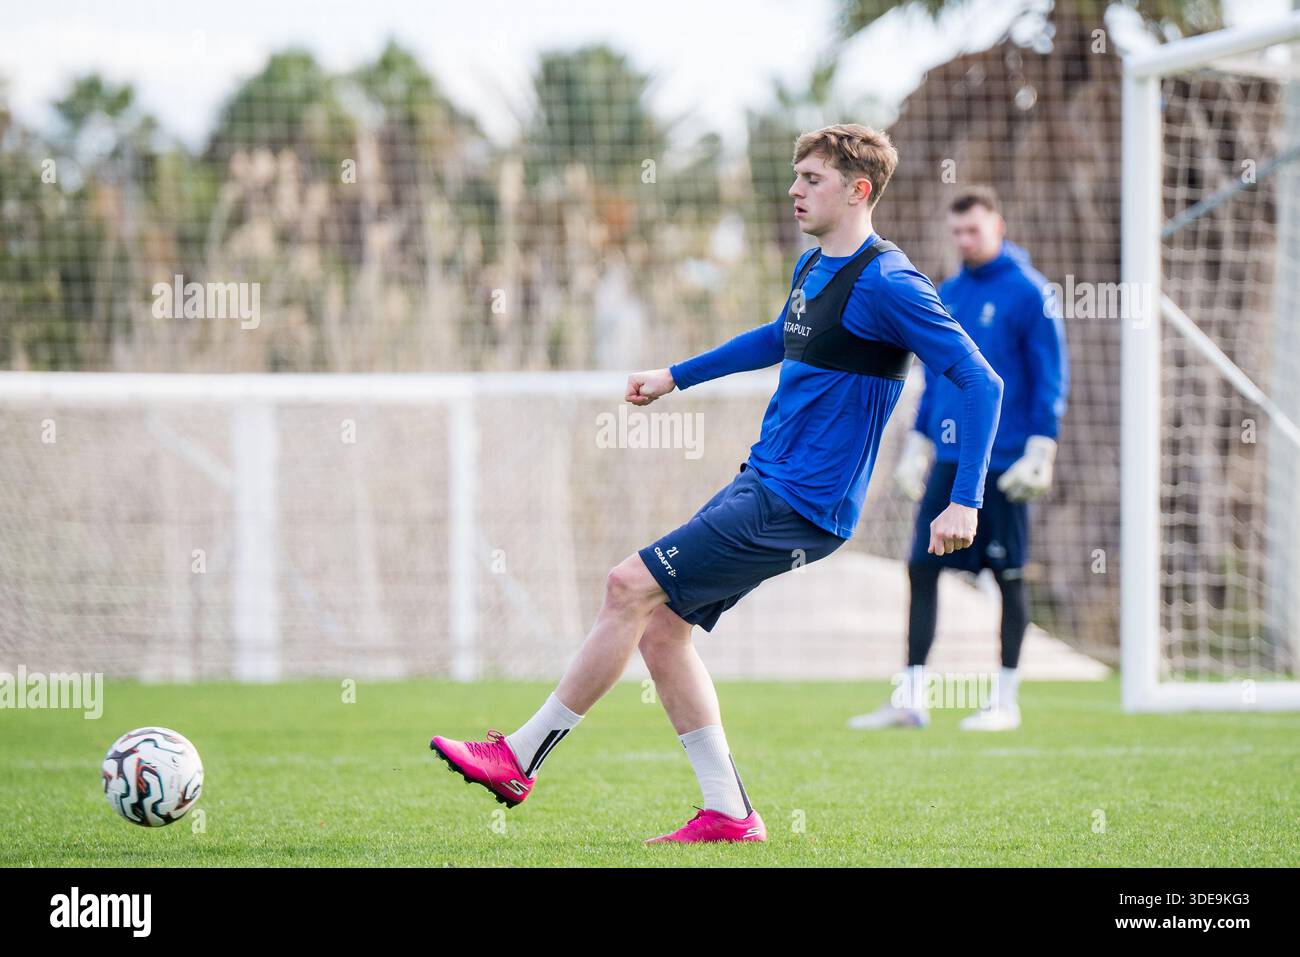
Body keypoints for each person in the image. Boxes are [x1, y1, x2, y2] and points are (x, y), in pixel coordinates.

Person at [429, 124, 1004, 843]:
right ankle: (730, 811)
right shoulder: (812, 268)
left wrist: (966, 496)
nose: (794, 189)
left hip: (801, 501)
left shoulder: (888, 280)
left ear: (859, 191)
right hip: (766, 483)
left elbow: (980, 379)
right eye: (795, 175)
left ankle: (519, 757)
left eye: (813, 179)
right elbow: (775, 337)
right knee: (663, 630)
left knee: (626, 585)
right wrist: (676, 375)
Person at [848, 186, 1069, 733]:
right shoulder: (946, 291)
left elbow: (1049, 377)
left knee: (1008, 575)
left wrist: (1043, 446)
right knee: (922, 569)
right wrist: (919, 443)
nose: (964, 241)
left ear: (998, 225)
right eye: (957, 232)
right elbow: (934, 376)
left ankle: (1005, 701)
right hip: (950, 457)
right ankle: (911, 698)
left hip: (1006, 459)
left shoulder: (1029, 293)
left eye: (974, 230)